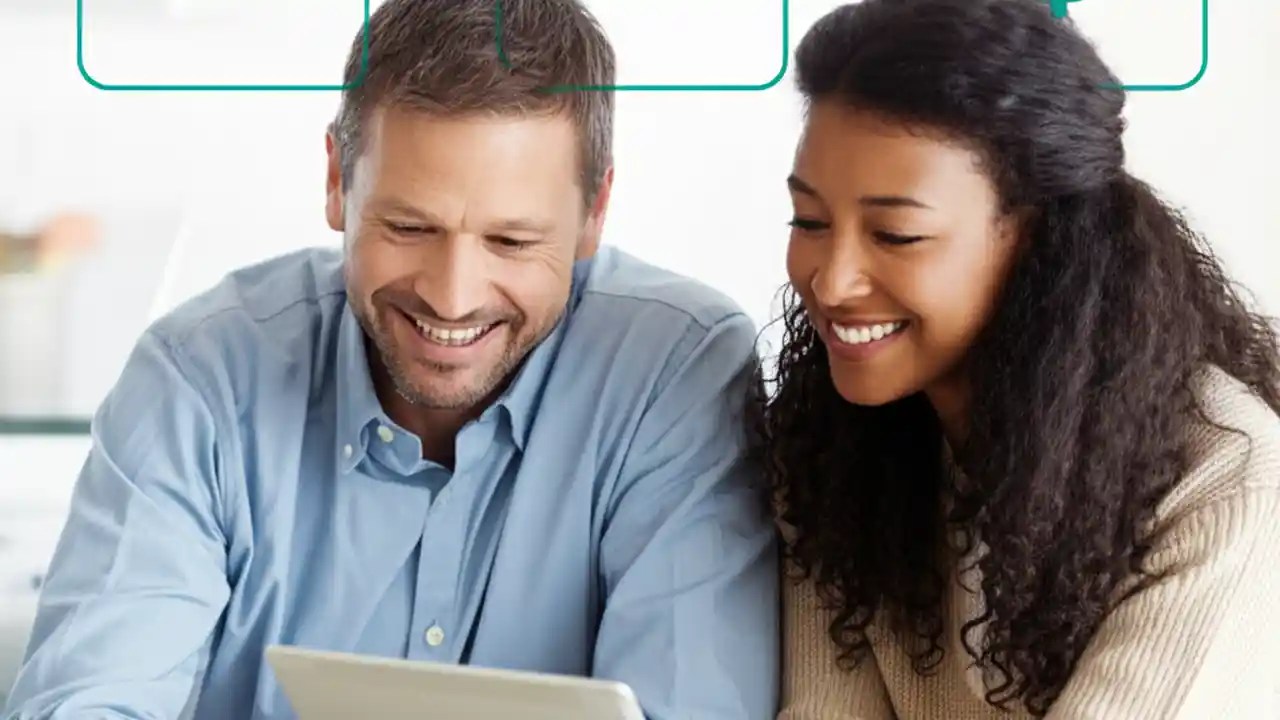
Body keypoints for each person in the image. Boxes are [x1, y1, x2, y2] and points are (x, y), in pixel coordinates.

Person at [3, 1, 779, 718]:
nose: (451, 296)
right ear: (339, 180)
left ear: (593, 212)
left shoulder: (676, 374)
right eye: (409, 227)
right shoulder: (198, 380)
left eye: (511, 241)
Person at [757, 0, 1280, 718]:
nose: (832, 280)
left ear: (1038, 242)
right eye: (810, 222)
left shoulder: (1228, 481)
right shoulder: (828, 455)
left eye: (897, 234)